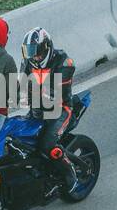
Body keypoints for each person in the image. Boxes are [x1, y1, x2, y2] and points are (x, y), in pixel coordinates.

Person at [20, 26, 80, 188]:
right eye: (30, 52)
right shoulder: (28, 61)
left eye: (37, 51)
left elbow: (54, 94)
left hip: (61, 110)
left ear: (47, 47)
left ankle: (71, 174)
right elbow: (20, 84)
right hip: (37, 109)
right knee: (20, 140)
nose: (35, 57)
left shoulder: (64, 62)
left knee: (48, 145)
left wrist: (29, 92)